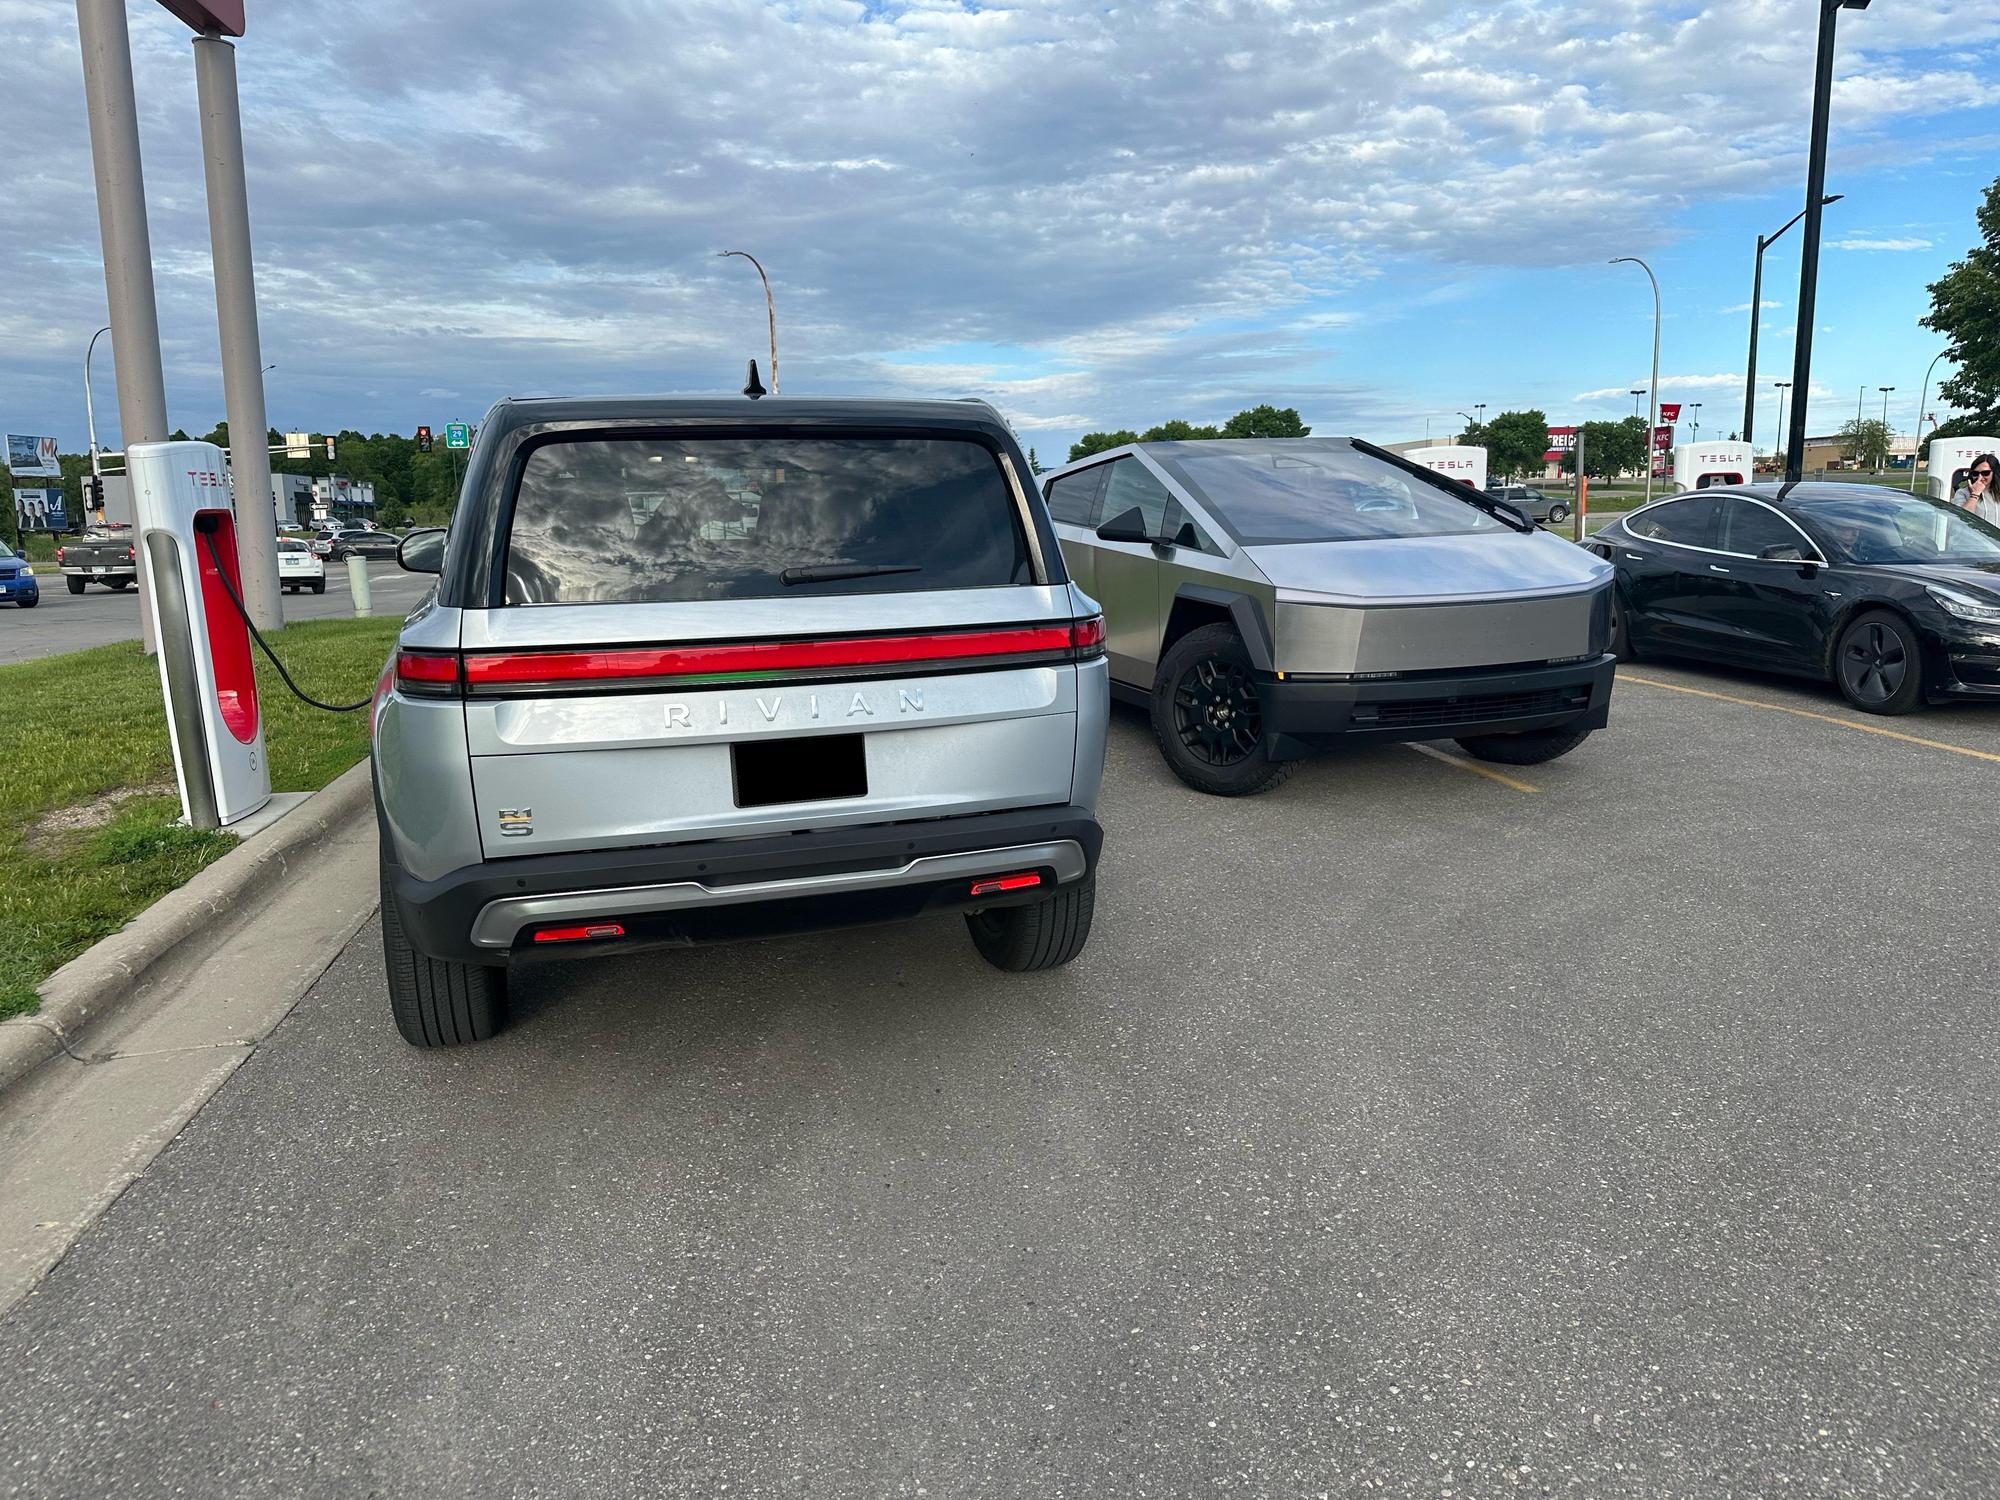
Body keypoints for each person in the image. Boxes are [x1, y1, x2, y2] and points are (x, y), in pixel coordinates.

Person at [1953, 453, 2000, 525]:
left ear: (1994, 473)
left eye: (1985, 473)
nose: (1980, 477)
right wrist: (1975, 495)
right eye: (1975, 473)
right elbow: (1961, 519)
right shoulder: (1962, 493)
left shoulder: (1997, 492)